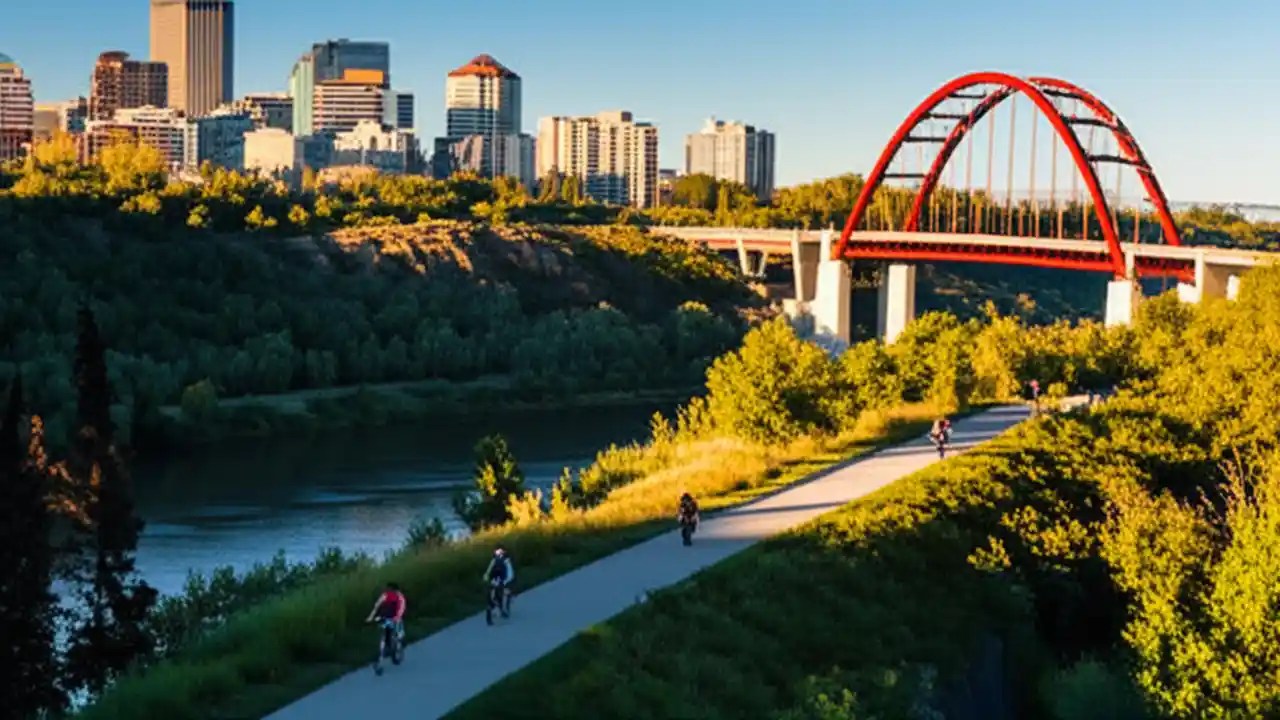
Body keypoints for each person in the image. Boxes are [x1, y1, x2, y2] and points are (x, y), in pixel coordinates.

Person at [483, 547, 516, 616]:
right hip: (496, 579)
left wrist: (506, 581)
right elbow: (489, 570)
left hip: (505, 580)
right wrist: (486, 576)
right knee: (492, 592)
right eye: (497, 554)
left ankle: (505, 607)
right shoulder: (494, 561)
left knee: (505, 592)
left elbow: (510, 572)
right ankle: (495, 607)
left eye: (501, 554)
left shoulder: (506, 561)